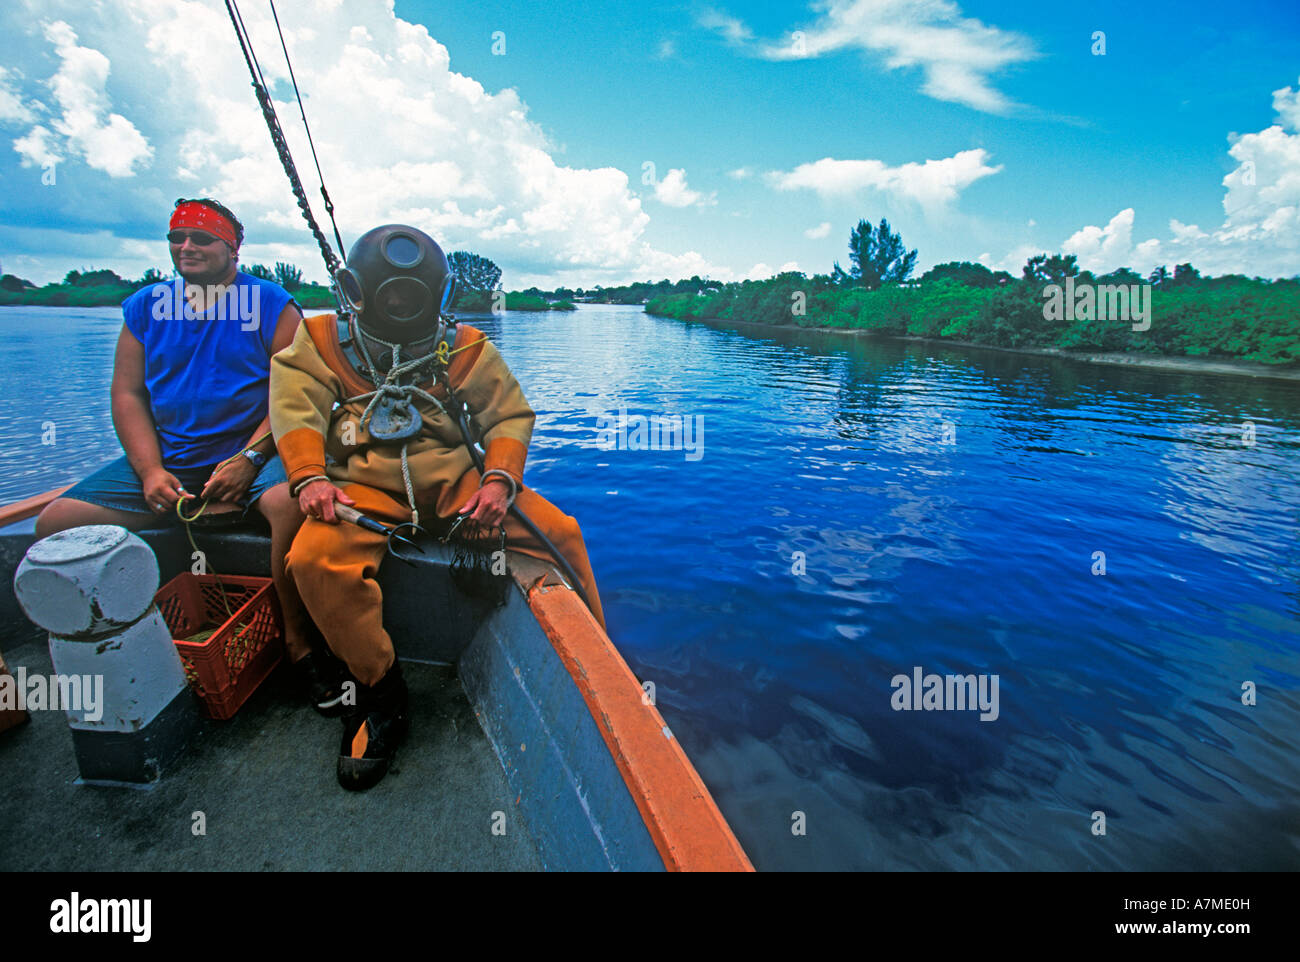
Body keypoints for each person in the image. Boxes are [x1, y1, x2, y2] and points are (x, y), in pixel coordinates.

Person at [270, 223, 605, 791]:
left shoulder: (467, 346)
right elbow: (295, 411)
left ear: (441, 294)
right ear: (355, 288)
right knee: (315, 562)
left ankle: (601, 675)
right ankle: (379, 692)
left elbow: (508, 418)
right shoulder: (319, 340)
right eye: (390, 295)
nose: (401, 305)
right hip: (363, 491)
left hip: (459, 487)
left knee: (563, 534)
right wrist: (308, 478)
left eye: (413, 295)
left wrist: (498, 483)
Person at [35, 198, 344, 713]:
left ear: (232, 246)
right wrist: (151, 470)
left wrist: (249, 458)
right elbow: (128, 393)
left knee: (290, 505)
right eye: (177, 239)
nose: (186, 248)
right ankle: (152, 630)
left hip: (256, 451)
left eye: (201, 239)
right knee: (57, 523)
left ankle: (299, 643)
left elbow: (303, 392)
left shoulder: (270, 302)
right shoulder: (145, 307)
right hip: (174, 457)